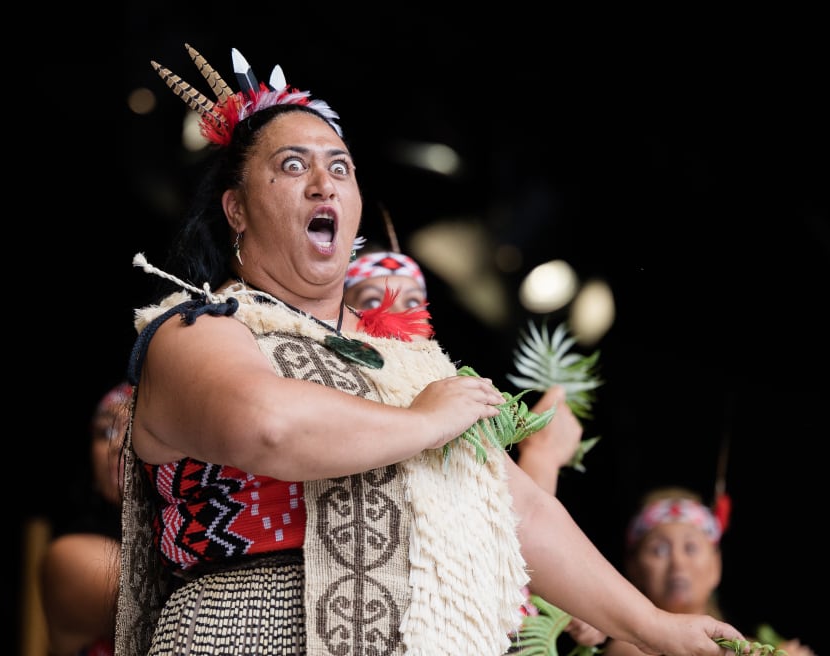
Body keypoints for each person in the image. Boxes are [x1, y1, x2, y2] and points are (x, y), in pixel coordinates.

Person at [114, 42, 745, 656]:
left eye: (340, 167)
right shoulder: (196, 331)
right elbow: (268, 427)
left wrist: (653, 625)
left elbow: (520, 510)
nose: (322, 184)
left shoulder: (414, 363)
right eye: (292, 165)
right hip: (246, 632)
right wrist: (424, 422)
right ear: (236, 209)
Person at [344, 242, 607, 648]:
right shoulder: (342, 391)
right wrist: (542, 454)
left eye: (413, 299)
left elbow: (504, 522)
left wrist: (565, 603)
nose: (397, 310)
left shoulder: (450, 389)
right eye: (373, 299)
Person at [602, 487, 816, 656]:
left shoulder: (750, 648)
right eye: (659, 550)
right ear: (634, 568)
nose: (678, 562)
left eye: (691, 548)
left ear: (716, 565)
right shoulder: (631, 647)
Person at [40, 382, 132, 656]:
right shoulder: (72, 559)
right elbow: (158, 597)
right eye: (106, 431)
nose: (117, 444)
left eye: (139, 425)